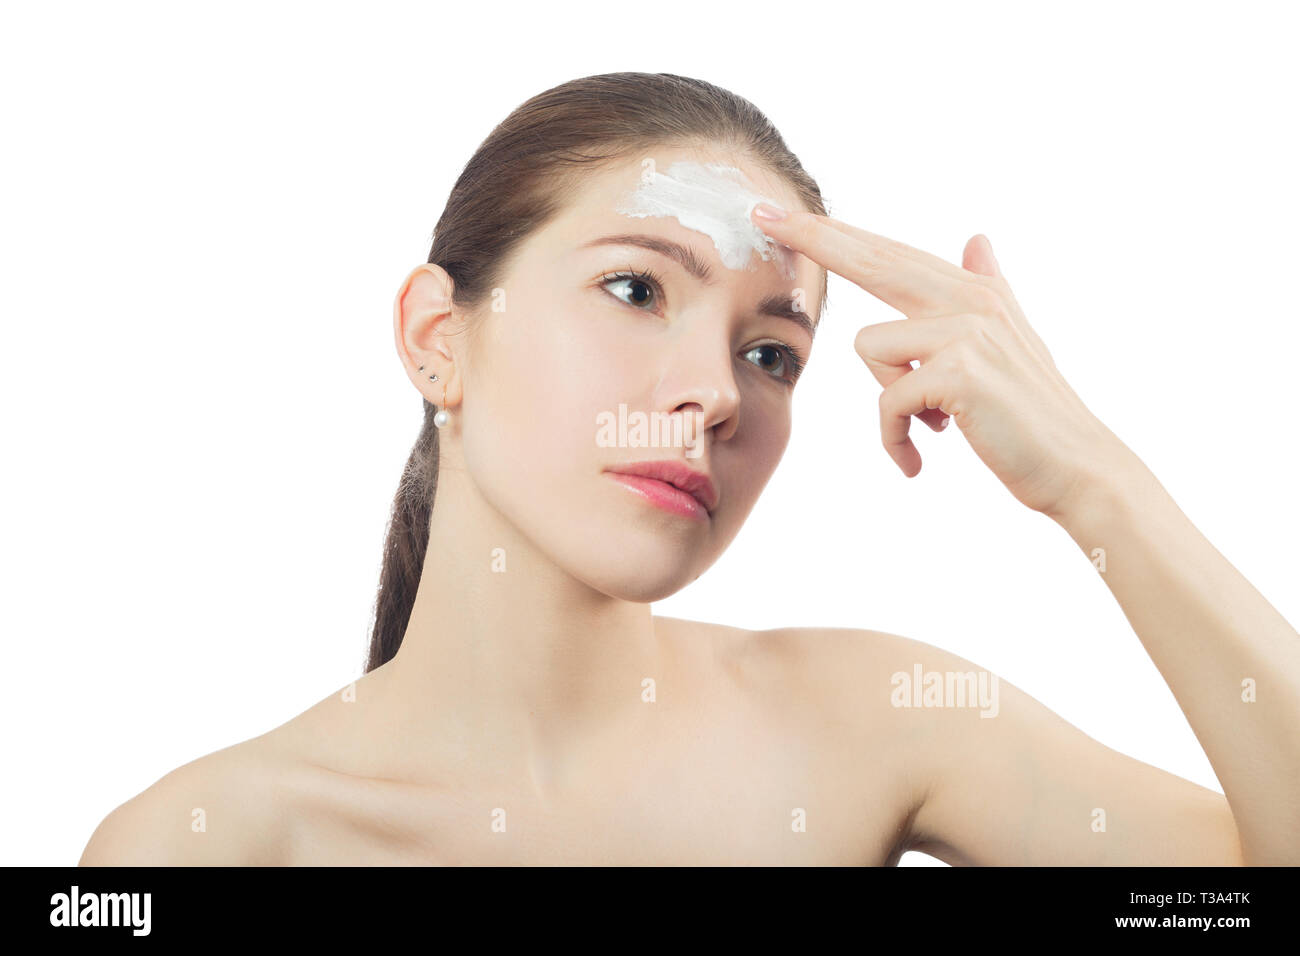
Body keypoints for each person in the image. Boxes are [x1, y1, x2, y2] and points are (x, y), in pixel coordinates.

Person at [79, 72, 1299, 866]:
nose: (714, 393)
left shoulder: (875, 722)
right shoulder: (203, 845)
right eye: (635, 287)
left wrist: (1095, 480)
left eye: (772, 352)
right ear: (436, 337)